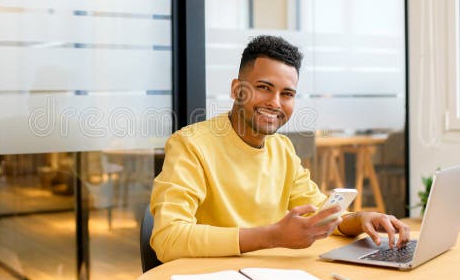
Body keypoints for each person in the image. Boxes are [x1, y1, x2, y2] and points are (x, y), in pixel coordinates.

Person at [150, 35, 409, 262]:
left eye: (287, 93)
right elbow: (168, 239)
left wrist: (362, 218)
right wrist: (273, 236)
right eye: (264, 88)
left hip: (271, 276)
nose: (275, 103)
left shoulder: (282, 148)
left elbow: (321, 212)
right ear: (236, 90)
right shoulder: (191, 144)